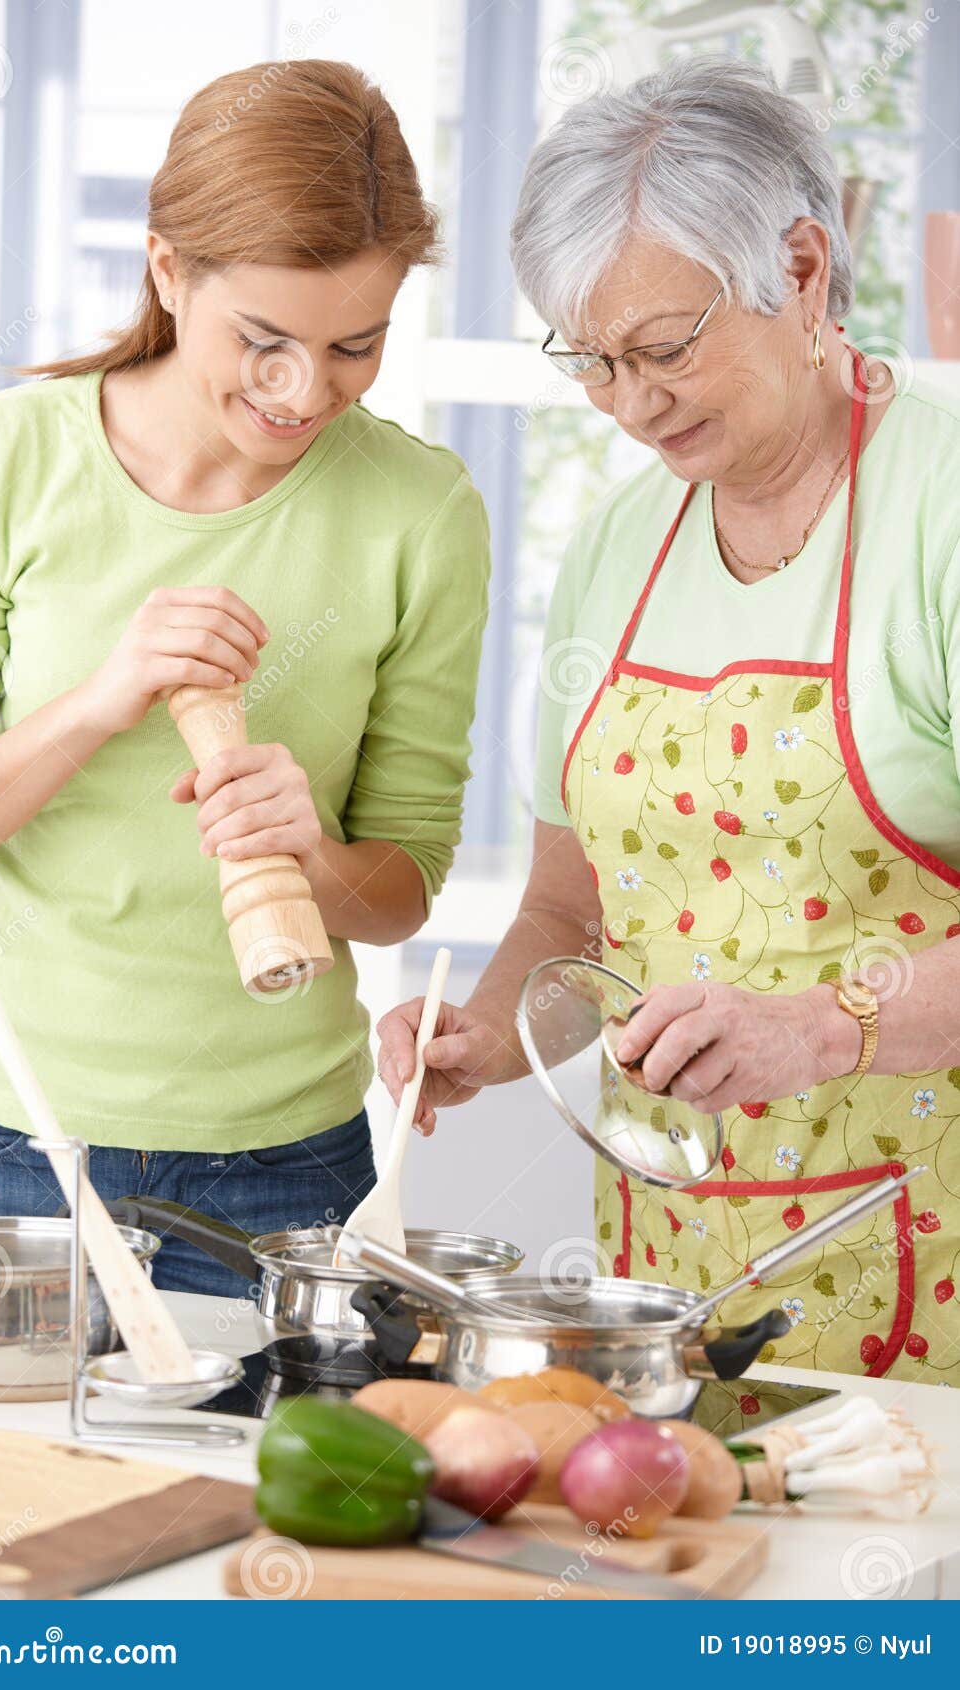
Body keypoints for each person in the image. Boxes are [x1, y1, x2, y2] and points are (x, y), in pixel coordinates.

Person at [378, 57, 959, 1384]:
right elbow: (568, 915)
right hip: (668, 1283)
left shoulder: (938, 506)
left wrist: (820, 1028)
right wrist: (487, 1034)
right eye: (590, 361)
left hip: (936, 1272)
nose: (631, 403)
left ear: (799, 269)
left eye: (663, 347)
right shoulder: (616, 547)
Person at [0, 61, 489, 1295]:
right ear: (167, 270)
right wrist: (96, 702)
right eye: (261, 342)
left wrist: (313, 856)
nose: (302, 393)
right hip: (3, 1139)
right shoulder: (4, 458)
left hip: (285, 1165)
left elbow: (402, 886)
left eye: (355, 346)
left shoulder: (420, 511)